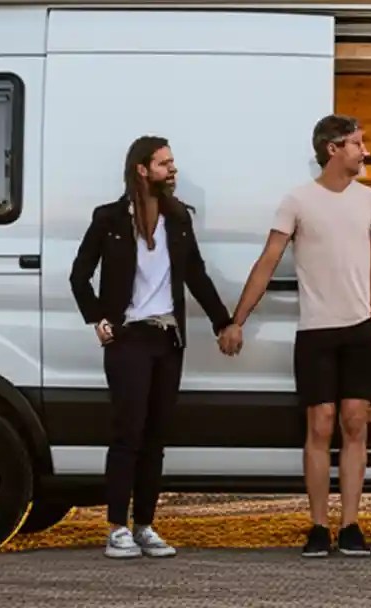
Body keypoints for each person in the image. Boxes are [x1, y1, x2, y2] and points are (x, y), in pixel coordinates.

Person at [223, 113, 371, 558]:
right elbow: (267, 261)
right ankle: (318, 526)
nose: (364, 151)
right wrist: (237, 318)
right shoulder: (297, 201)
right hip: (316, 330)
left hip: (360, 331)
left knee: (355, 422)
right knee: (321, 424)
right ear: (332, 149)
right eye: (357, 143)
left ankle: (350, 524)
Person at [69, 135, 240, 559]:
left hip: (168, 339)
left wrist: (224, 322)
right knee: (129, 432)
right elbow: (79, 275)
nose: (172, 169)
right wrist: (98, 318)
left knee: (156, 437)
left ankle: (145, 525)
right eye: (164, 163)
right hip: (129, 338)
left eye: (172, 162)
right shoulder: (109, 219)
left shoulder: (178, 219)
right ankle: (116, 529)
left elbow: (196, 275)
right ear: (142, 169)